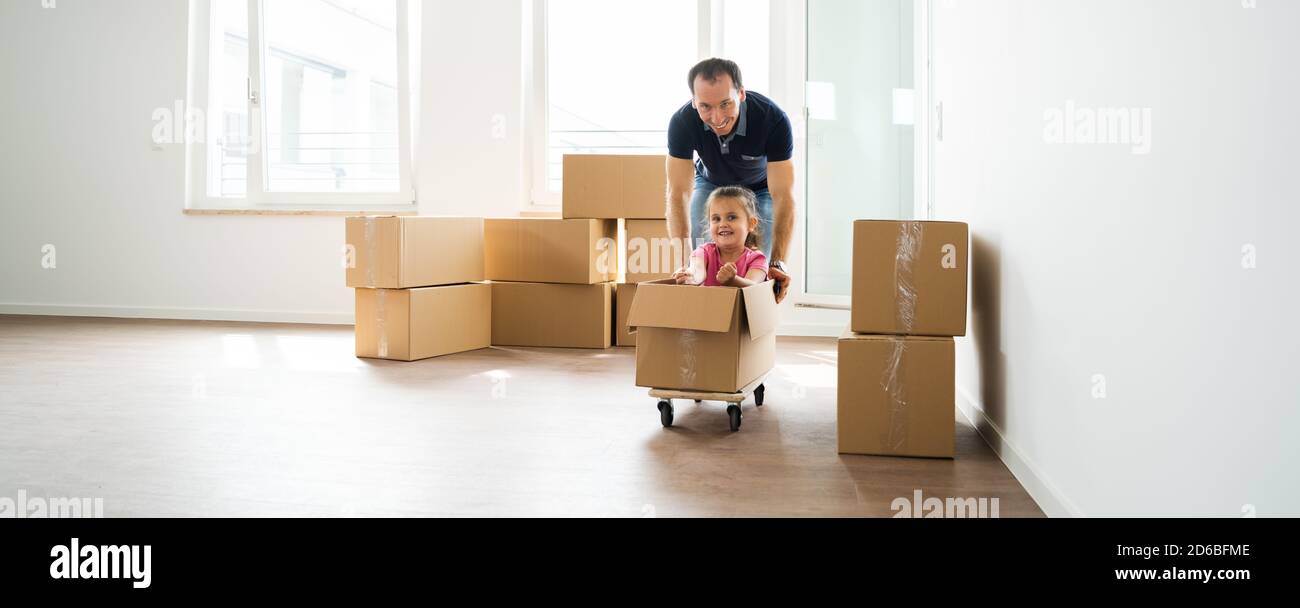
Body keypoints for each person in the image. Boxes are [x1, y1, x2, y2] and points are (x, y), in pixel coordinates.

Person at [665, 58, 796, 302]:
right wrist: (686, 264)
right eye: (705, 106)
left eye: (726, 104)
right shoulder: (682, 122)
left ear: (741, 94)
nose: (716, 117)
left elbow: (783, 196)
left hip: (761, 188)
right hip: (711, 183)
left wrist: (779, 263)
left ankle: (749, 330)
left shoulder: (773, 119)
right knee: (698, 257)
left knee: (762, 264)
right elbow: (678, 193)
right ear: (694, 101)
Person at [672, 186, 769, 288]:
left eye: (731, 217)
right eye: (716, 219)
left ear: (751, 224)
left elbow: (754, 287)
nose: (722, 224)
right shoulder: (703, 251)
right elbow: (697, 272)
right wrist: (688, 276)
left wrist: (733, 280)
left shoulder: (757, 259)